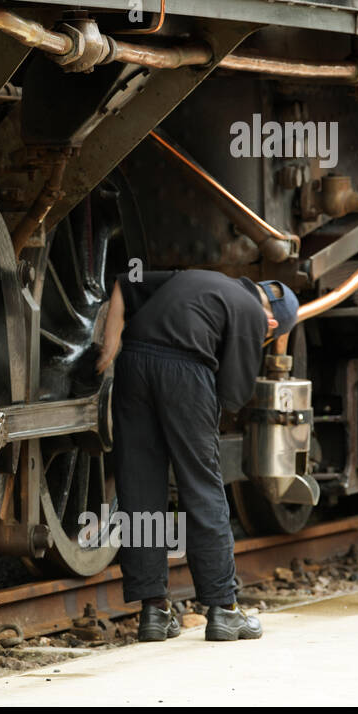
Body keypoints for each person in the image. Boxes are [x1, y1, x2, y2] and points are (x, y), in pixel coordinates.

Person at [95, 269, 298, 642]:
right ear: (271, 321)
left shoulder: (204, 277)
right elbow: (234, 395)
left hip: (133, 362)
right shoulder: (253, 315)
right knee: (202, 485)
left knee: (140, 487)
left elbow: (124, 283)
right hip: (184, 372)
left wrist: (110, 347)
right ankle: (223, 609)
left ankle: (153, 612)